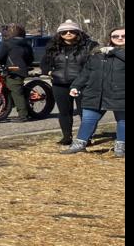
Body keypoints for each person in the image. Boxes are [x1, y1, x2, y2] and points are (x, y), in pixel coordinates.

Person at [63, 27, 124, 157]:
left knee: (123, 121)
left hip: (121, 94)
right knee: (88, 120)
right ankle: (80, 144)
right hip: (95, 93)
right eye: (115, 36)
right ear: (110, 38)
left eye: (123, 36)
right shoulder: (99, 53)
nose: (119, 38)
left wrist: (116, 52)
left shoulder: (115, 53)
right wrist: (76, 86)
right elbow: (86, 72)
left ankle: (121, 146)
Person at [41, 20, 96, 147]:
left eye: (72, 31)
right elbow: (44, 63)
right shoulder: (53, 47)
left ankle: (86, 137)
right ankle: (67, 136)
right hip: (60, 84)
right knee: (64, 112)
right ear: (60, 34)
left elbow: (95, 63)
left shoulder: (89, 46)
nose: (68, 33)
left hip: (83, 84)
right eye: (64, 32)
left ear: (78, 32)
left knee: (85, 112)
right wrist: (49, 72)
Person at [0, 23, 38, 121]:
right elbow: (31, 58)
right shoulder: (26, 43)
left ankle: (23, 115)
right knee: (1, 89)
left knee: (16, 91)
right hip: (17, 69)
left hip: (13, 70)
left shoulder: (7, 43)